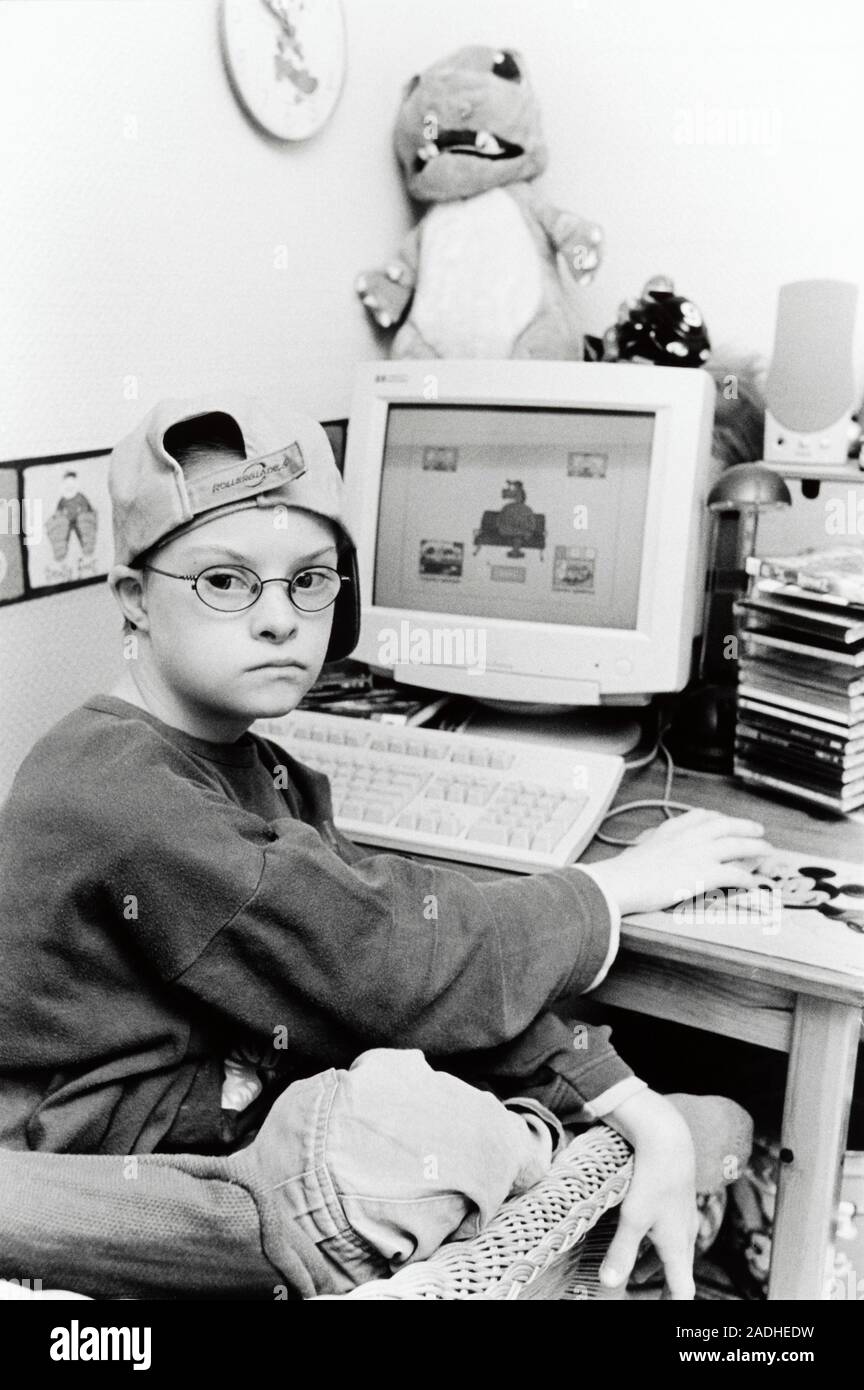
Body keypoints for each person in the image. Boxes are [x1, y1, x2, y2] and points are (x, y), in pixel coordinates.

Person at [0, 397, 764, 1299]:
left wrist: (619, 1095)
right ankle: (537, 1171)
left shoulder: (260, 766)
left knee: (711, 1126)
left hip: (233, 1106)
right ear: (134, 600)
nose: (280, 619)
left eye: (310, 579)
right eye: (226, 582)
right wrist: (610, 887)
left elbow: (372, 957)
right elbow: (384, 961)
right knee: (409, 1126)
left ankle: (568, 1166)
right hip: (100, 1175)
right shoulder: (118, 789)